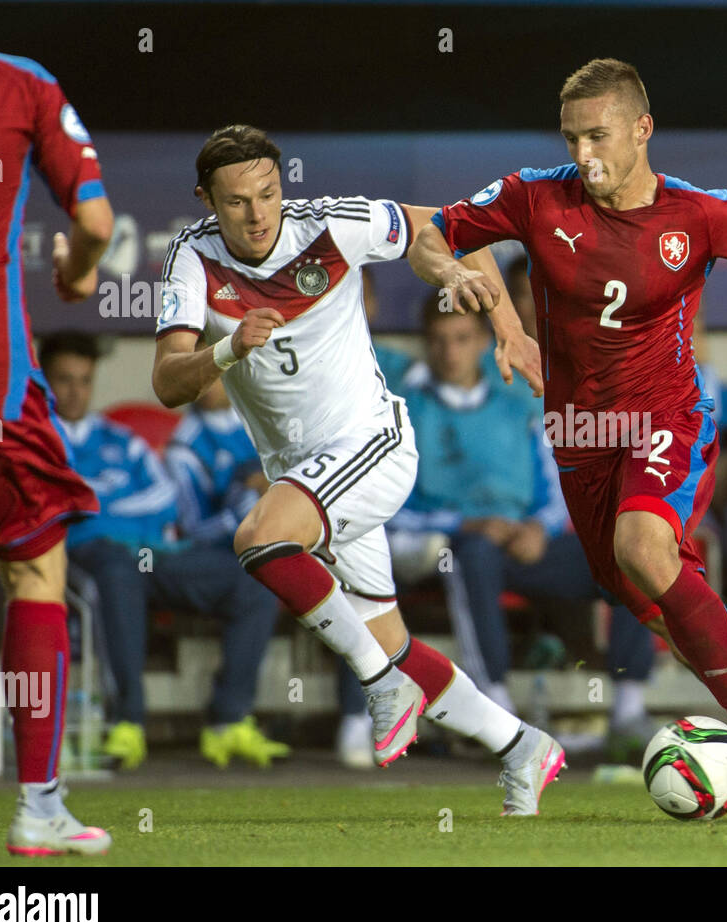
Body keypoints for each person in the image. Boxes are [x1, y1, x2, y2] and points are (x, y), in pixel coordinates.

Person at [409, 58, 727, 817]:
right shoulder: (535, 196)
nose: (585, 155)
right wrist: (499, 318)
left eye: (600, 136)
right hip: (581, 438)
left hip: (668, 422)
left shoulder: (700, 213)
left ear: (642, 130)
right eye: (573, 137)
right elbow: (432, 232)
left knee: (643, 551)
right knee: (690, 631)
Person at [151, 125, 562, 814]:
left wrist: (495, 313)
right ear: (206, 201)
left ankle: (378, 685)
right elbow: (167, 383)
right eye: (237, 202)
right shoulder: (191, 257)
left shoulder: (332, 226)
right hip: (303, 476)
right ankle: (522, 744)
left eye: (269, 195)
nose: (257, 215)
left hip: (370, 445)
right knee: (390, 642)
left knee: (258, 539)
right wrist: (225, 354)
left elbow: (453, 231)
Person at [0, 0, 114, 855]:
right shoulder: (22, 85)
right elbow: (93, 222)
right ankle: (39, 805)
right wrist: (78, 275)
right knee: (34, 569)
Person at [391, 292, 655, 733]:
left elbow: (557, 481)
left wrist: (541, 527)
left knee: (627, 558)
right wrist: (465, 524)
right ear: (425, 343)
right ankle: (495, 711)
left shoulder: (518, 402)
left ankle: (629, 709)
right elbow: (389, 507)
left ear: (481, 342)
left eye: (461, 339)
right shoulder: (404, 412)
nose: (450, 352)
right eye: (439, 341)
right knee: (468, 554)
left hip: (526, 543)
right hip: (456, 545)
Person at [42, 333, 287, 770]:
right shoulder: (37, 441)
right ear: (44, 382)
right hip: (84, 557)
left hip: (155, 553)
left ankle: (229, 720)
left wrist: (94, 505)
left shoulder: (121, 439)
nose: (76, 390)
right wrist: (107, 513)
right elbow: (54, 508)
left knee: (254, 577)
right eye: (65, 380)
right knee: (116, 567)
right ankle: (128, 723)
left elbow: (163, 499)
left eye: (84, 379)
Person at [162, 376, 292, 767]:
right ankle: (229, 719)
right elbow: (189, 530)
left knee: (349, 569)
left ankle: (360, 719)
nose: (207, 382)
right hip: (200, 558)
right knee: (258, 579)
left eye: (214, 369)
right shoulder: (184, 447)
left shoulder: (261, 420)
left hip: (274, 542)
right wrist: (249, 502)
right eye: (197, 373)